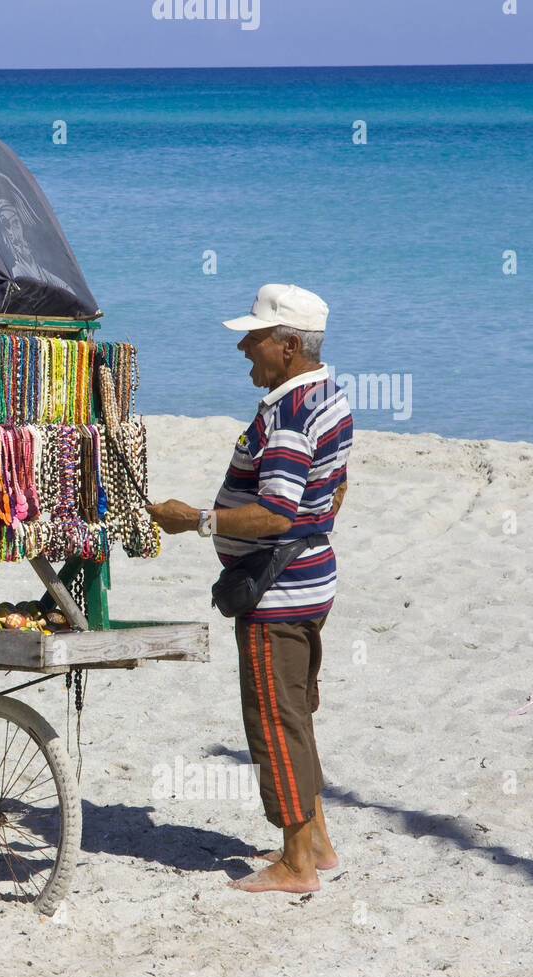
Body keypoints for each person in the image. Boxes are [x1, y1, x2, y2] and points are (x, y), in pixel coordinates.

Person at [146, 283, 353, 895]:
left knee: (272, 721)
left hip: (281, 592)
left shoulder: (290, 414)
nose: (243, 348)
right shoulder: (328, 395)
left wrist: (197, 521)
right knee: (296, 714)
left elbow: (276, 514)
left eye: (254, 338)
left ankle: (295, 865)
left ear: (288, 346)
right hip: (313, 582)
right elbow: (333, 484)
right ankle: (315, 840)